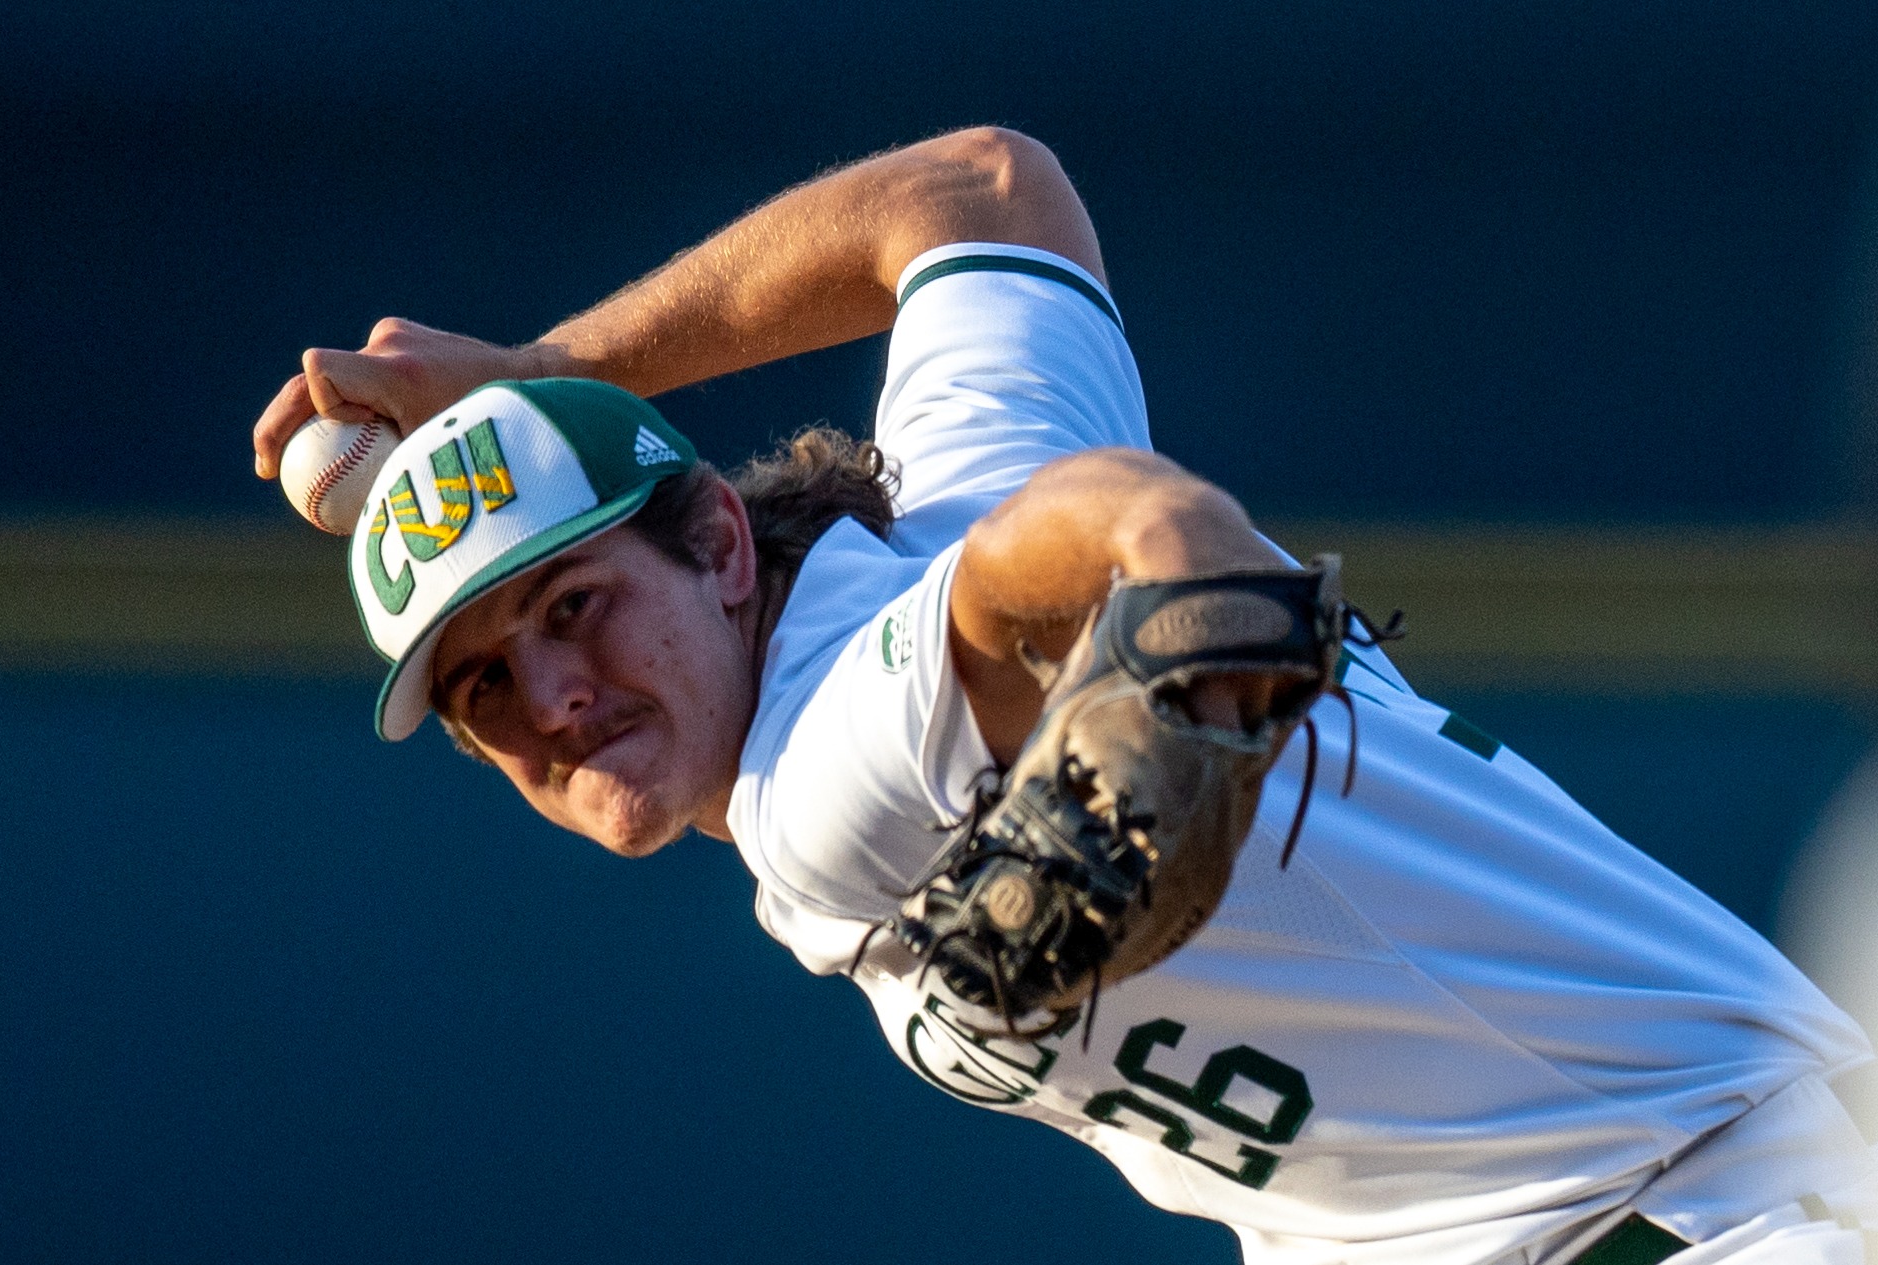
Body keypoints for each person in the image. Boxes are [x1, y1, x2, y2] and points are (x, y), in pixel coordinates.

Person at [253, 128, 1876, 1264]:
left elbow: (1047, 548)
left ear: (721, 546)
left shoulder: (830, 770)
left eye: (577, 605)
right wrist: (546, 374)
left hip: (1714, 1213)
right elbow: (979, 190)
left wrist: (1164, 539)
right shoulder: (947, 478)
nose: (550, 693)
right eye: (480, 686)